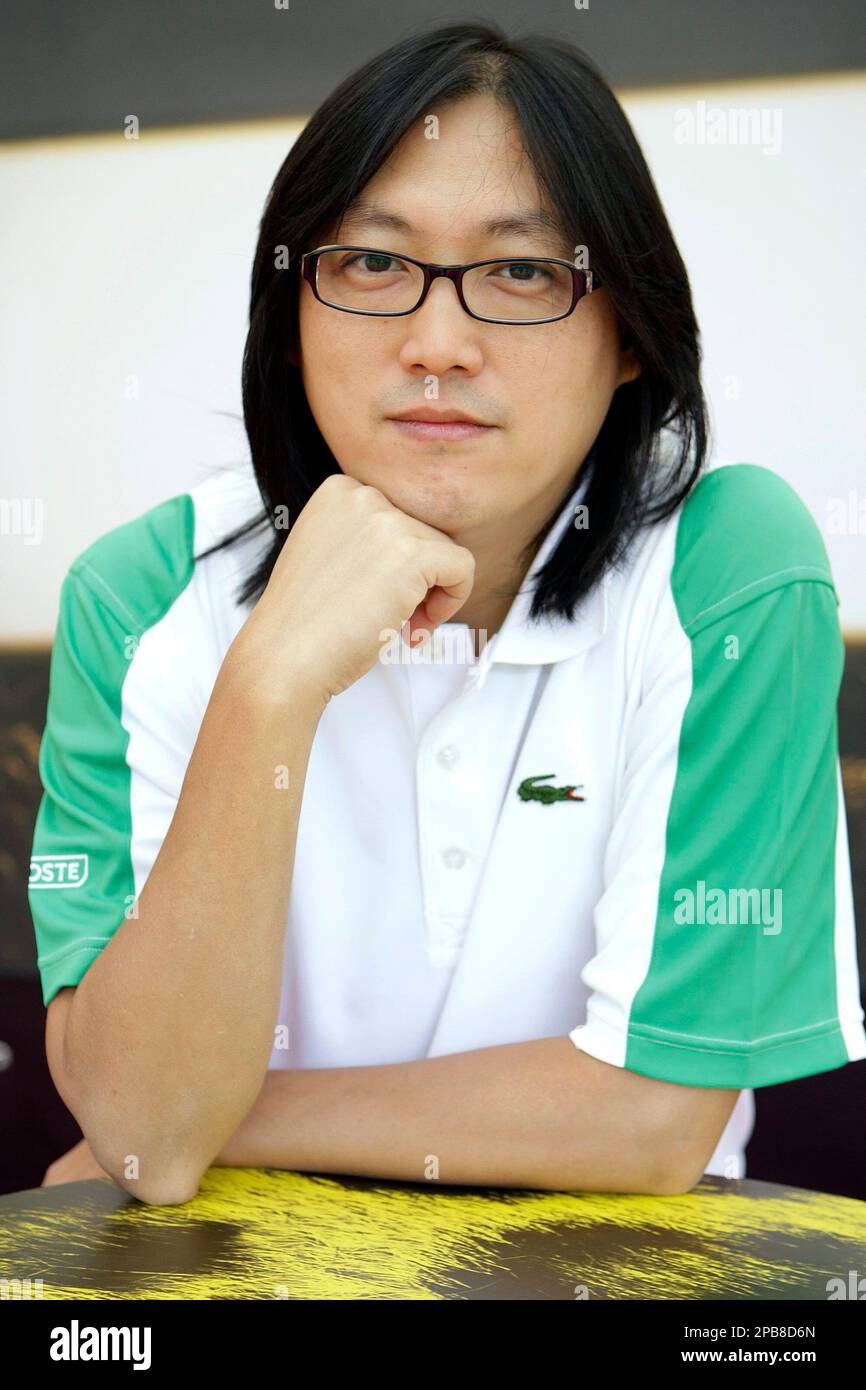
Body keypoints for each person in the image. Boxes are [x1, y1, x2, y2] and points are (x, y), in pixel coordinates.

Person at [31, 22, 865, 1204]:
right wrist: (271, 682)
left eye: (522, 271)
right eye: (371, 265)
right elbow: (145, 1132)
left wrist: (213, 1117)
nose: (435, 344)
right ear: (295, 310)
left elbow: (651, 1117)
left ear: (628, 331)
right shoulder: (139, 595)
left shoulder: (728, 574)